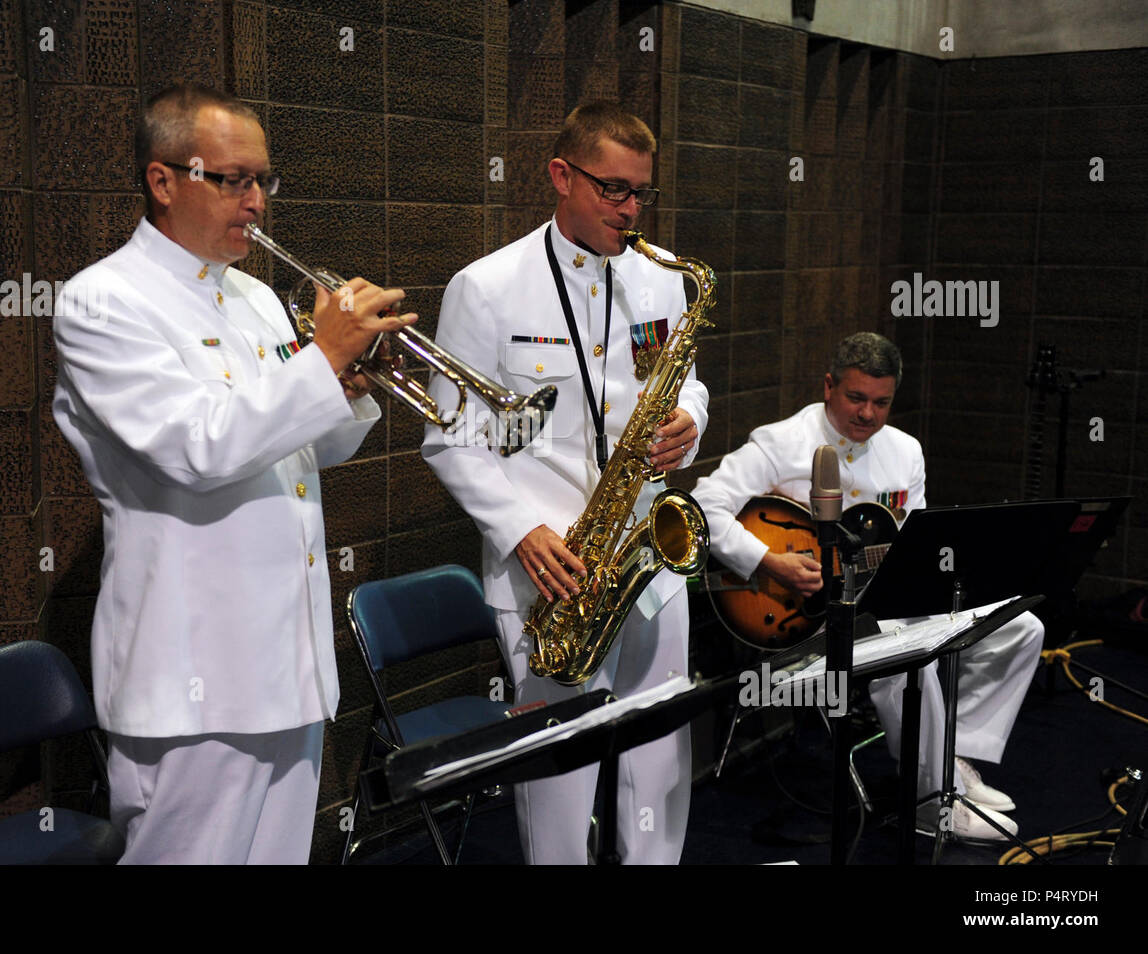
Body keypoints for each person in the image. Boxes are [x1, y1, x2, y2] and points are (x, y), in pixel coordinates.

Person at [52, 83, 415, 863]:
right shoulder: (102, 302)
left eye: (264, 181)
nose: (255, 203)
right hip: (194, 682)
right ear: (162, 180)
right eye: (233, 180)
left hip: (289, 662)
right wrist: (321, 359)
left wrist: (346, 388)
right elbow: (198, 451)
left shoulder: (253, 297)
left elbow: (299, 459)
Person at [422, 102, 709, 864]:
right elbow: (449, 440)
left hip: (648, 563)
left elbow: (685, 385)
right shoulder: (486, 288)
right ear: (560, 175)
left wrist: (691, 422)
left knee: (661, 767)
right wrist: (521, 531)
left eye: (641, 193)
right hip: (552, 574)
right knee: (558, 783)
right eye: (613, 189)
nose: (630, 209)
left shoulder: (662, 280)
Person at [691, 332, 1043, 840]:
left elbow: (916, 541)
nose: (868, 415)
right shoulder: (780, 442)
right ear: (829, 386)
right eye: (856, 398)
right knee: (907, 656)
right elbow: (704, 506)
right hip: (805, 618)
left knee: (1021, 626)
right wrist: (768, 560)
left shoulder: (906, 452)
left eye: (881, 402)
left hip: (885, 598)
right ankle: (927, 801)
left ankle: (950, 762)